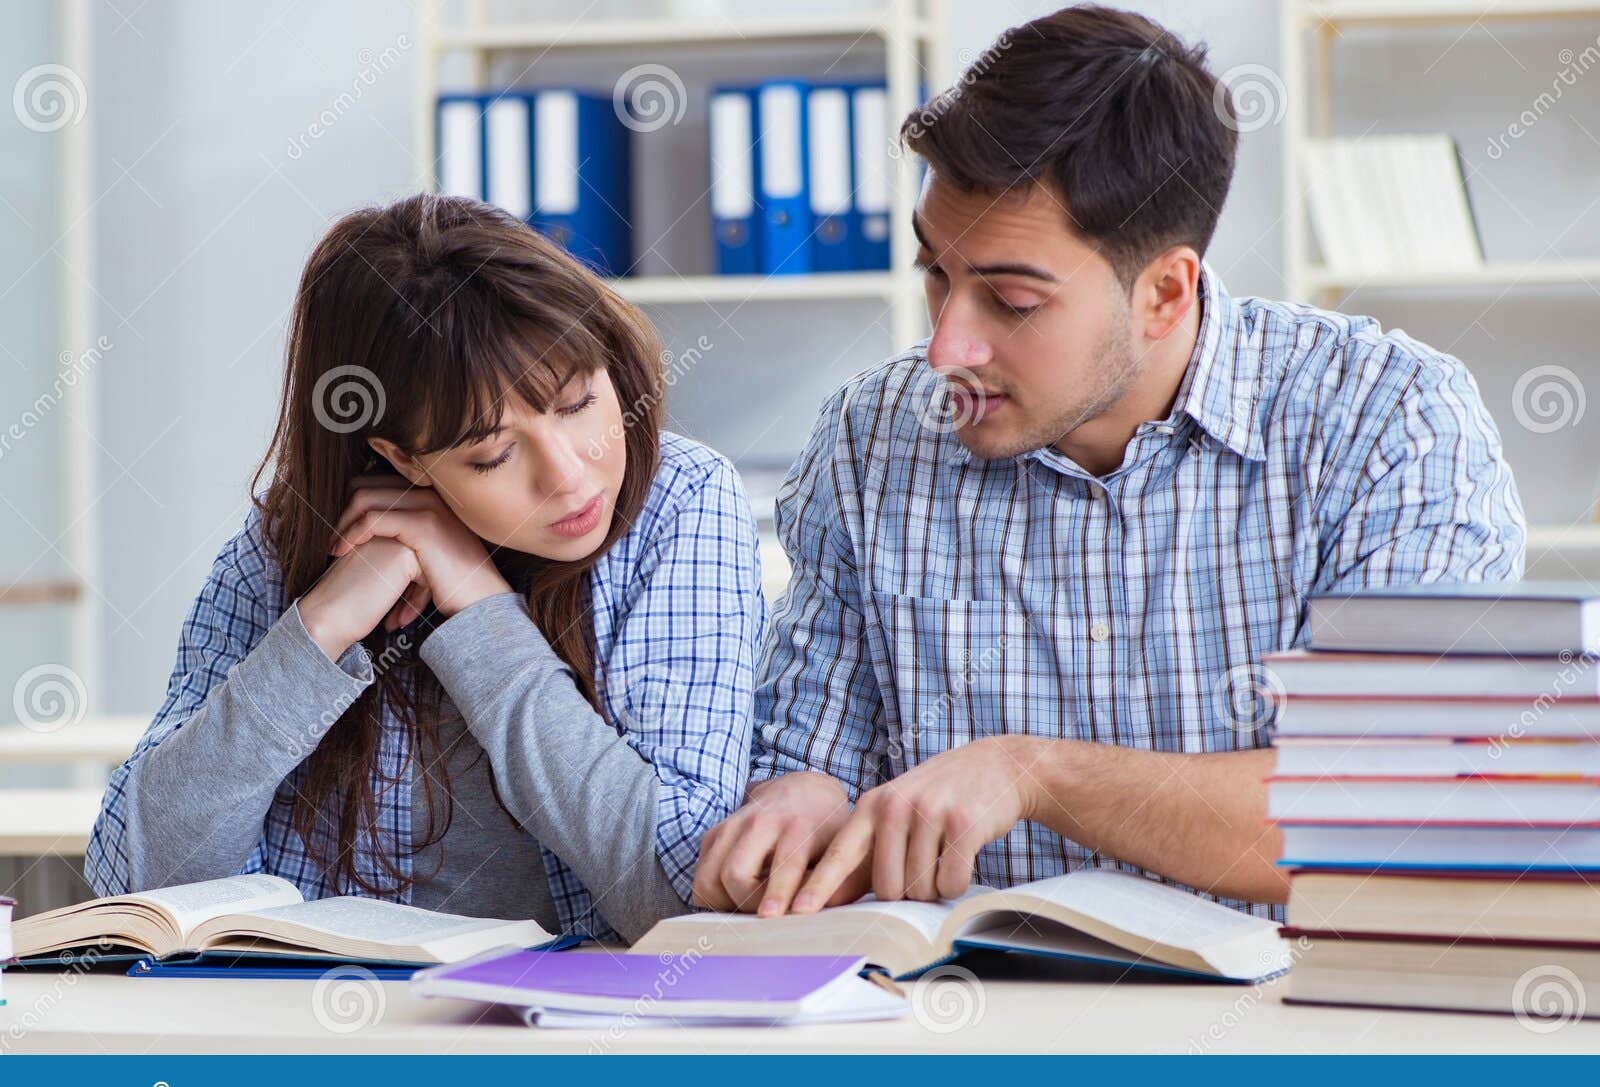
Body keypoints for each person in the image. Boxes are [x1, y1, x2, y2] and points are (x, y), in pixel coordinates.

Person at [694, 4, 1524, 922]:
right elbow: (812, 754)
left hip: (1289, 1027)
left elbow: (1379, 813)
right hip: (960, 1024)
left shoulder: (1388, 421)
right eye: (936, 273)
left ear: (1165, 292)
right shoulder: (871, 436)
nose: (945, 348)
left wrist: (1032, 772)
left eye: (1009, 300)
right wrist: (797, 801)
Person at [86, 193, 766, 942]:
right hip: (326, 1034)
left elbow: (675, 896)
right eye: (492, 455)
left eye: (577, 403)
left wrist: (479, 609)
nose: (570, 476)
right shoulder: (294, 541)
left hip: (571, 1039)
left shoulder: (680, 503)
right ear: (401, 458)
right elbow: (139, 881)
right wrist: (318, 631)